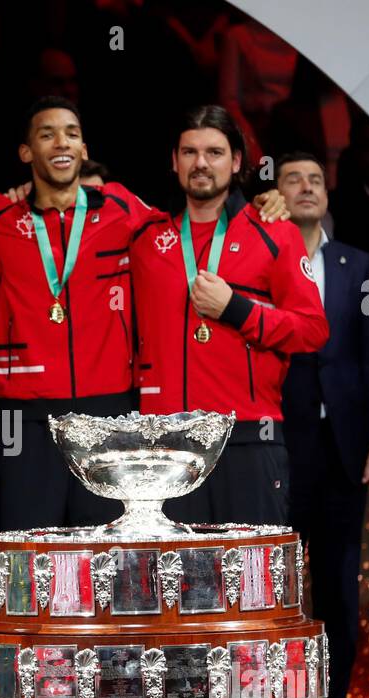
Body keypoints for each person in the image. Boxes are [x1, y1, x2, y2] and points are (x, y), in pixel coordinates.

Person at [0, 97, 289, 531]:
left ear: (84, 150)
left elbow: (192, 220)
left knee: (103, 553)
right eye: (46, 134)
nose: (61, 142)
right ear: (26, 153)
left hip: (109, 417)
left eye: (72, 134)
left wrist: (261, 201)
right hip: (22, 417)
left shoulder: (124, 211)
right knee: (27, 547)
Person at [131, 105, 327, 526]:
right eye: (189, 152)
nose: (201, 163)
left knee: (252, 587)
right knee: (174, 586)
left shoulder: (276, 232)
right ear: (174, 161)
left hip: (248, 438)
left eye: (215, 152)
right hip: (165, 444)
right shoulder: (146, 237)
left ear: (236, 161)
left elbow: (312, 330)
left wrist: (237, 310)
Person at [276, 151, 369, 698]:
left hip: (346, 445)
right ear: (276, 193)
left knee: (340, 583)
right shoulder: (260, 258)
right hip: (279, 442)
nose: (306, 188)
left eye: (315, 180)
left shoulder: (357, 265)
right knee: (282, 582)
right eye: (293, 179)